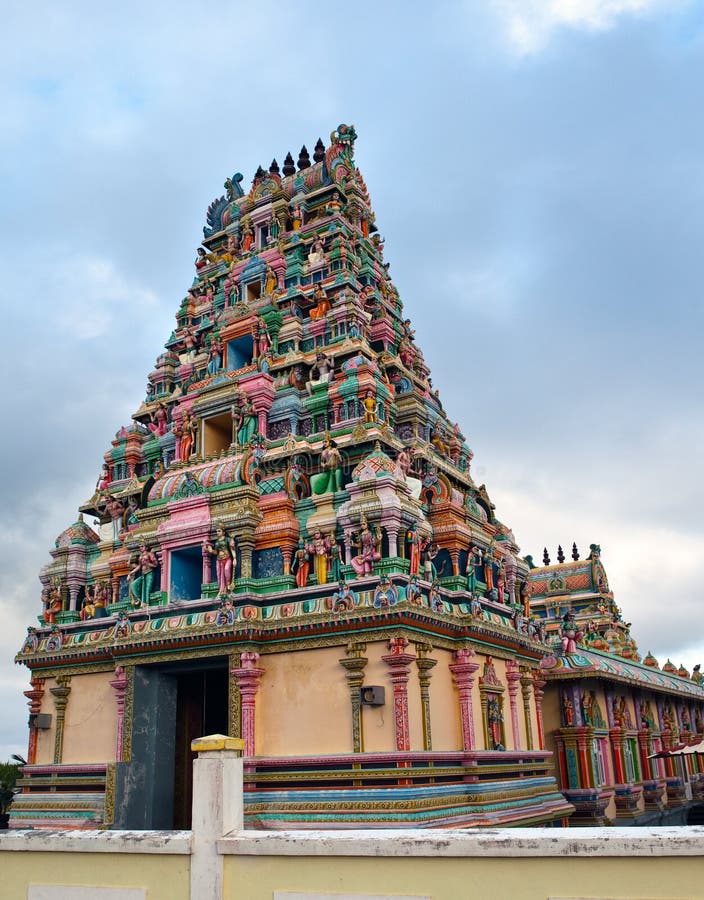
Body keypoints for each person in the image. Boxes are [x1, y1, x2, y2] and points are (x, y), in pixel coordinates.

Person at [204, 527, 237, 598]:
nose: (217, 533)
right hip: (219, 560)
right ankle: (222, 590)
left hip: (227, 558)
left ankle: (228, 586)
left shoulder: (227, 539)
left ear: (223, 532)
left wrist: (234, 558)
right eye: (216, 531)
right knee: (219, 574)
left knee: (227, 570)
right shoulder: (217, 542)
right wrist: (210, 550)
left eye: (219, 531)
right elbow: (216, 552)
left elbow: (232, 549)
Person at [128, 542, 159, 608]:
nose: (141, 548)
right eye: (140, 547)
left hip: (149, 573)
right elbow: (139, 566)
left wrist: (147, 563)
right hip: (143, 574)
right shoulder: (141, 556)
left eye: (142, 546)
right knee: (134, 585)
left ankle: (146, 604)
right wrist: (131, 573)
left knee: (147, 589)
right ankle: (140, 599)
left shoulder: (150, 554)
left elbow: (156, 564)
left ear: (146, 547)